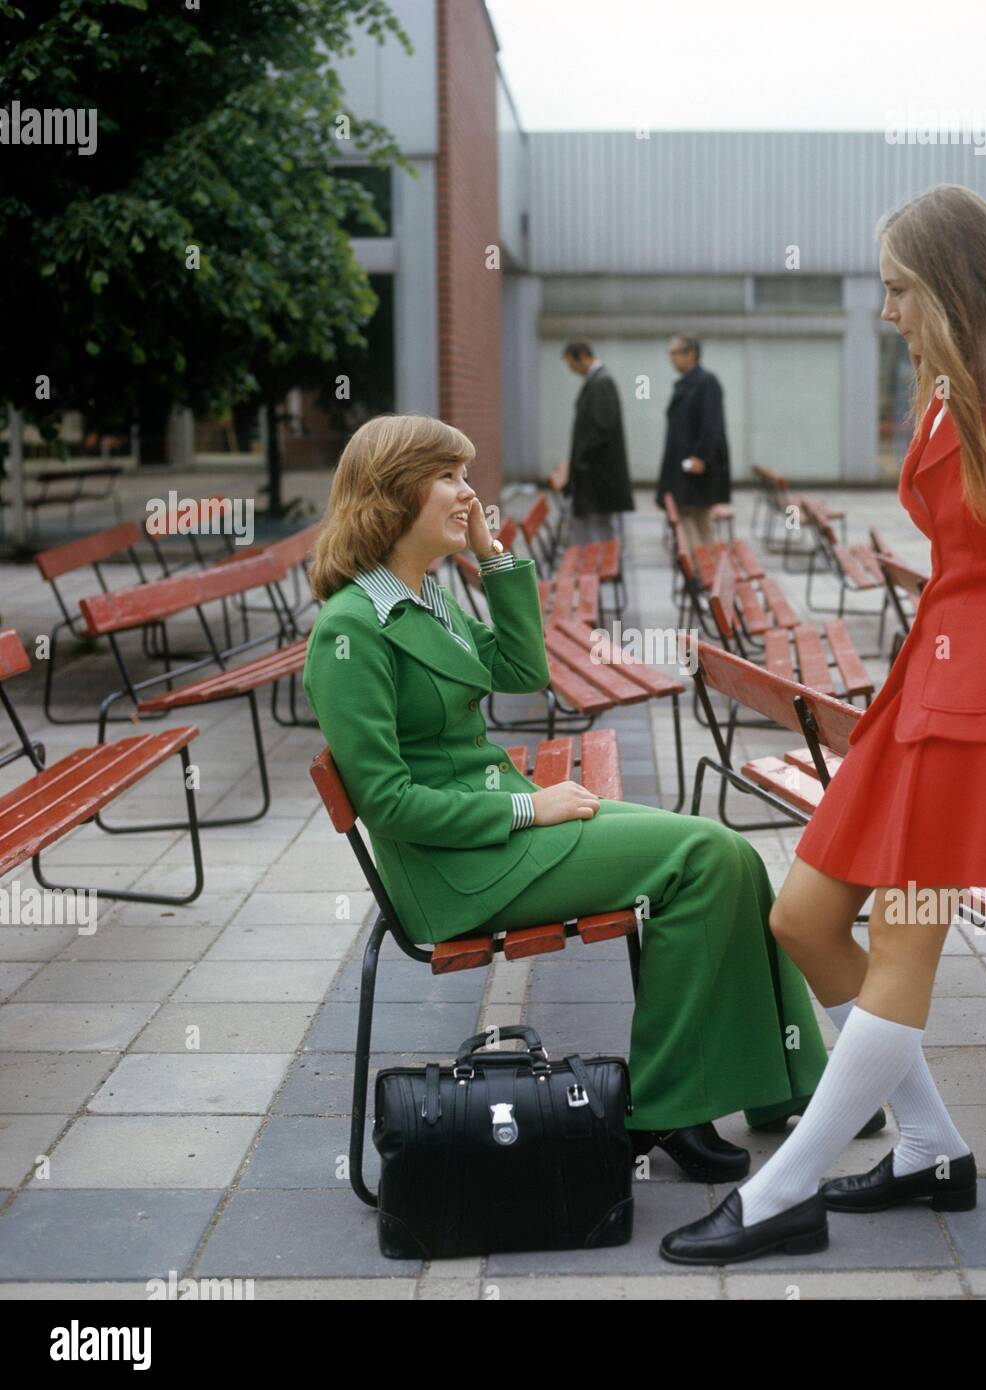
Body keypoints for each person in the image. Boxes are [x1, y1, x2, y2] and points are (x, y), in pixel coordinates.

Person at [661, 183, 986, 1265]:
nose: (887, 311)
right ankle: (927, 1144)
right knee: (803, 919)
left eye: (899, 289)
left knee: (904, 941)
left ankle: (779, 1193)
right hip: (927, 686)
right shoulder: (947, 388)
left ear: (951, 283)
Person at [301, 414, 832, 1184]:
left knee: (733, 853)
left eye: (464, 474)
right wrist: (525, 809)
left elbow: (521, 671)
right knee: (703, 856)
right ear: (390, 496)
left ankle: (787, 1080)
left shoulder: (425, 597)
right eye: (447, 477)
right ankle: (667, 1106)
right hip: (454, 871)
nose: (466, 493)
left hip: (492, 836)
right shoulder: (352, 630)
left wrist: (495, 561)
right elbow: (388, 805)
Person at [550, 340, 635, 548]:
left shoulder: (601, 383)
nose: (571, 369)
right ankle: (599, 572)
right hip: (595, 474)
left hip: (598, 475)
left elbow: (600, 429)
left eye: (572, 363)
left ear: (583, 357)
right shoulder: (598, 381)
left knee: (600, 530)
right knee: (597, 528)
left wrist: (579, 461)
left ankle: (601, 574)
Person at [654, 335, 731, 551]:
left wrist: (700, 457)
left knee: (694, 518)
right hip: (684, 465)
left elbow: (712, 424)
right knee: (692, 518)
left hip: (695, 467)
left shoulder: (706, 382)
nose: (671, 358)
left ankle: (700, 573)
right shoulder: (687, 383)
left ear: (691, 354)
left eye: (674, 353)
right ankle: (703, 574)